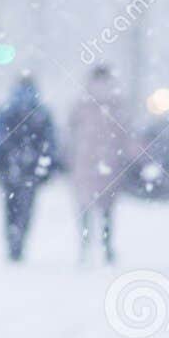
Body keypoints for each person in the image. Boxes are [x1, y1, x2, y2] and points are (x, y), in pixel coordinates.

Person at [0, 75, 59, 261]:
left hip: (8, 167)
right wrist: (49, 165)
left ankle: (12, 240)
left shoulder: (7, 111)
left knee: (10, 206)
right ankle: (20, 237)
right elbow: (50, 142)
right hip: (31, 169)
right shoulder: (41, 112)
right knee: (26, 206)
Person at [67, 65, 136, 264]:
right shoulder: (117, 104)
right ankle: (106, 246)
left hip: (85, 161)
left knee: (84, 206)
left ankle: (85, 244)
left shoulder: (81, 103)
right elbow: (126, 134)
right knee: (107, 208)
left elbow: (70, 133)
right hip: (109, 161)